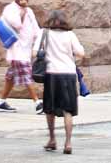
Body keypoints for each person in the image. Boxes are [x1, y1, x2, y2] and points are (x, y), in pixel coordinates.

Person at [42, 10, 85, 155]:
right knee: (68, 110)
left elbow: (35, 53)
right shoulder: (70, 35)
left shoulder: (45, 33)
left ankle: (52, 139)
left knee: (50, 109)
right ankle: (68, 143)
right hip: (68, 74)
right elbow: (81, 53)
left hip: (51, 74)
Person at [0, 0, 43, 114]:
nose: (26, 0)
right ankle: (37, 103)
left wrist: (39, 41)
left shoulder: (29, 10)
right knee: (27, 74)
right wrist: (22, 12)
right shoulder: (10, 9)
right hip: (17, 49)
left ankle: (1, 102)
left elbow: (36, 28)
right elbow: (17, 25)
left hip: (26, 48)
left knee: (11, 77)